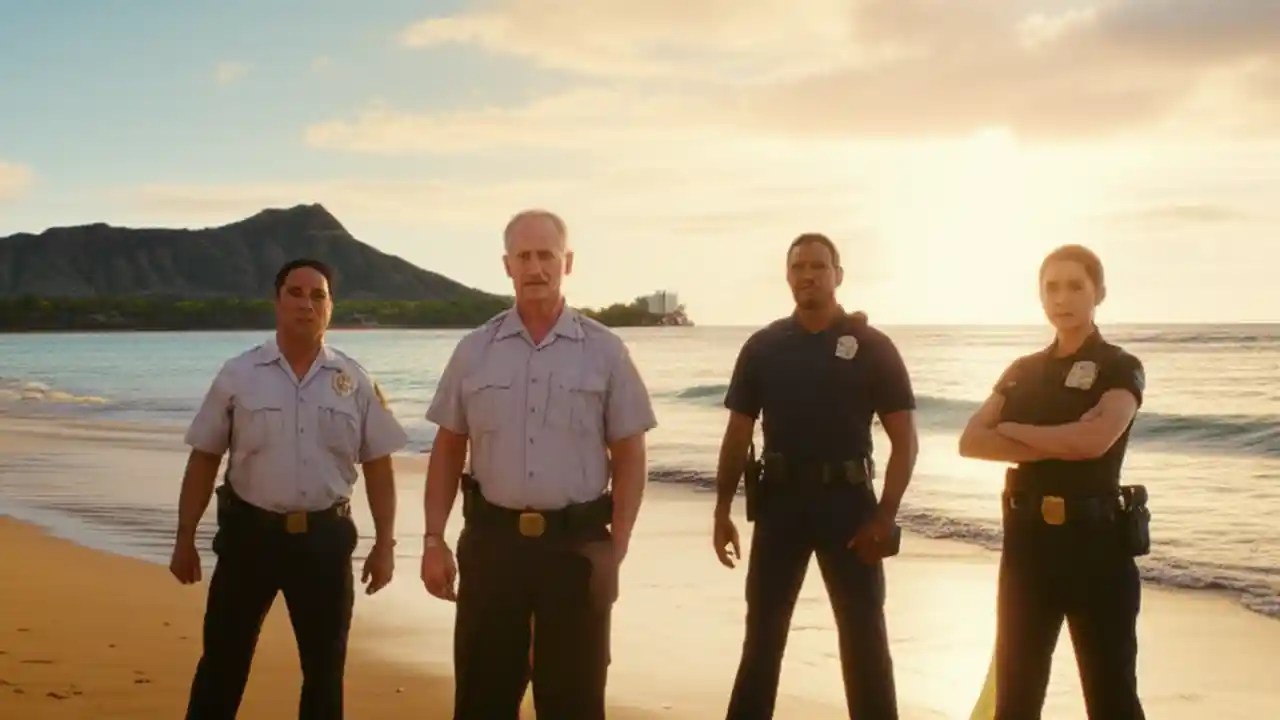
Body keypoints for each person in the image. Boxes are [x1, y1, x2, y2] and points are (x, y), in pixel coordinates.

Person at [419, 209, 657, 719]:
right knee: (483, 699)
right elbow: (448, 446)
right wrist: (433, 539)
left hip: (576, 548)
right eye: (524, 256)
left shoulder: (605, 351)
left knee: (574, 701)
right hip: (492, 546)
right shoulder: (474, 351)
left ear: (567, 262)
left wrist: (620, 539)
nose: (536, 267)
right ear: (507, 266)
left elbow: (630, 450)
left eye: (546, 255)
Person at [169, 258, 407, 720]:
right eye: (295, 293)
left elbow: (378, 464)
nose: (306, 304)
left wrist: (386, 545)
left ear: (331, 307)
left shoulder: (354, 380)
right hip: (248, 540)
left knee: (324, 673)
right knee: (222, 664)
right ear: (277, 302)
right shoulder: (239, 374)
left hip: (324, 543)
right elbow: (204, 457)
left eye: (318, 295)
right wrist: (184, 537)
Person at [712, 232, 919, 719]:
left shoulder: (872, 346)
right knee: (762, 638)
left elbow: (905, 440)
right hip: (780, 507)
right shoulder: (764, 347)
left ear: (837, 275)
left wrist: (885, 516)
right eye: (799, 267)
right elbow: (737, 433)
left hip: (850, 510)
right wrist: (721, 509)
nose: (808, 275)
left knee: (865, 640)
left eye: (819, 267)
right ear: (788, 277)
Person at [958, 243, 1147, 719]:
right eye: (1052, 287)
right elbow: (971, 441)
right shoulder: (1022, 372)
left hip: (1098, 548)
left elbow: (1096, 440)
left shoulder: (1120, 367)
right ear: (1041, 297)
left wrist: (1017, 432)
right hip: (1028, 551)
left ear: (1098, 293)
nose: (1063, 297)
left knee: (1112, 700)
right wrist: (1060, 439)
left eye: (1076, 286)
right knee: (1015, 700)